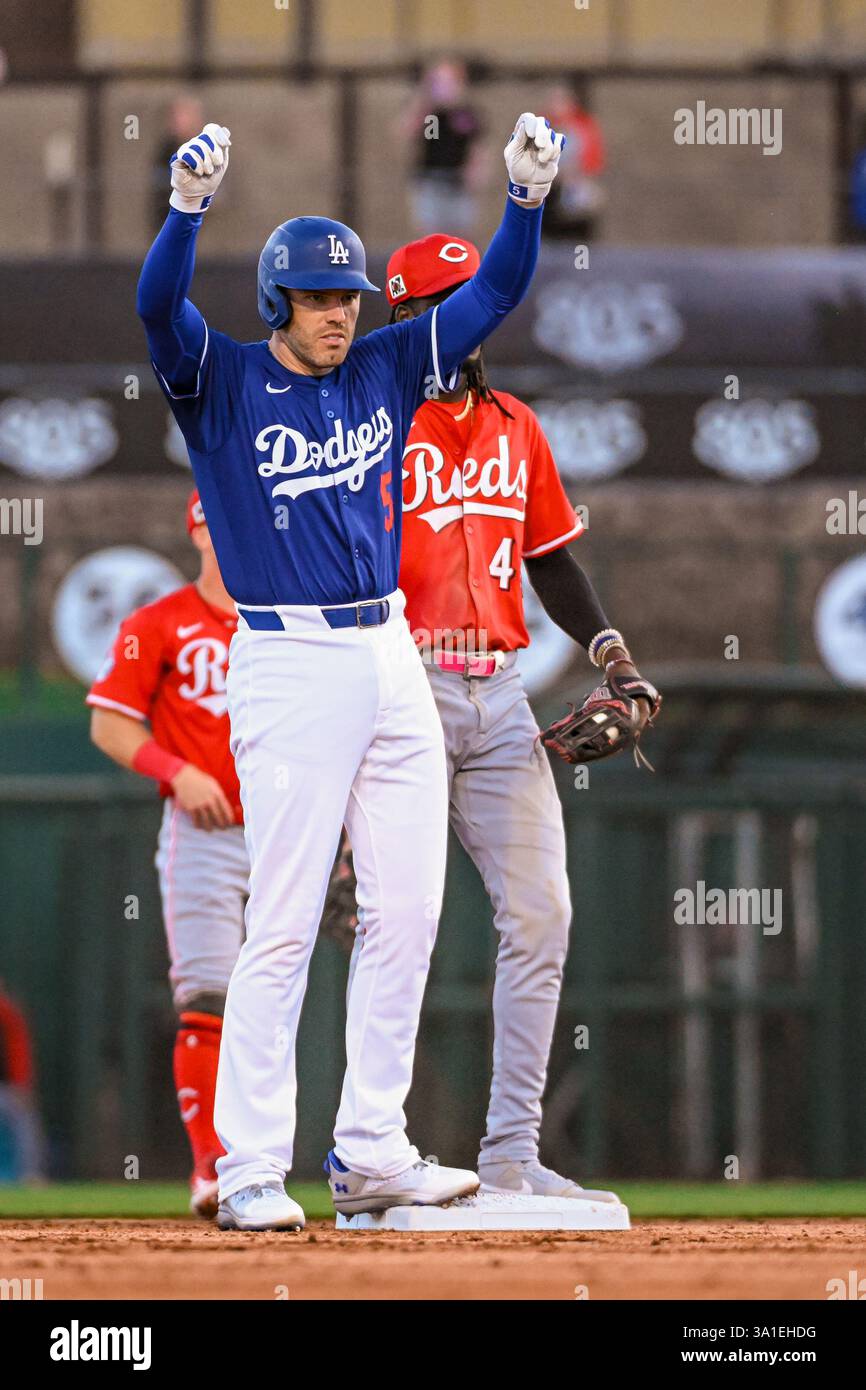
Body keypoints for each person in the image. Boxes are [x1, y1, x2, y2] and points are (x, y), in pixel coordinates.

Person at [135, 112, 565, 1231]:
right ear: (277, 302)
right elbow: (152, 308)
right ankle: (245, 1169)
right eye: (319, 298)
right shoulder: (218, 383)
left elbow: (490, 300)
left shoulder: (383, 365)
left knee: (409, 909)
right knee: (277, 921)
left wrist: (521, 205)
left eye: (348, 298)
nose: (338, 315)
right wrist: (183, 214)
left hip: (387, 652)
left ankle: (372, 1148)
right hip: (286, 656)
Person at [380, 231, 659, 1199]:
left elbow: (550, 559)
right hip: (398, 682)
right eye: (447, 302)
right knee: (398, 920)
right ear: (407, 318)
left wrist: (612, 654)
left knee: (541, 913)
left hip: (498, 692)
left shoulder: (514, 426)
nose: (472, 316)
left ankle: (507, 1153)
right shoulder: (372, 421)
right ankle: (372, 1147)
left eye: (477, 298)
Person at [87, 490, 242, 1218]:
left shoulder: (295, 623)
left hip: (288, 834)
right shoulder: (158, 623)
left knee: (274, 1010)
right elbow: (109, 725)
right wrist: (176, 770)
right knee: (207, 1000)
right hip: (204, 833)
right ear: (199, 529)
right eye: (223, 517)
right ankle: (211, 1166)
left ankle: (285, 1162)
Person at [403, 58, 486, 237]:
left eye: (449, 82)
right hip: (431, 179)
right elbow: (408, 131)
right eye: (439, 82)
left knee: (460, 234)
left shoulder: (465, 113)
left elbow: (476, 144)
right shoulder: (430, 115)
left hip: (457, 182)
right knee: (430, 234)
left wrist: (475, 171)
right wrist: (424, 100)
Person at [540, 84, 606, 243]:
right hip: (548, 188)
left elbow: (593, 161)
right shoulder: (541, 126)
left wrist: (577, 174)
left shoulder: (584, 127)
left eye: (560, 101)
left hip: (575, 185)